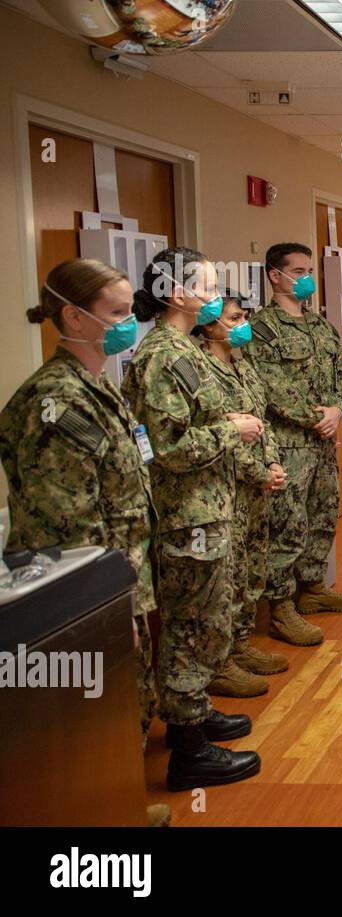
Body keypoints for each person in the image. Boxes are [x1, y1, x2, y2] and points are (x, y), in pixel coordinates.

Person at [0, 258, 171, 825]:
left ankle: (117, 802)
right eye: (117, 314)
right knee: (89, 716)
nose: (128, 324)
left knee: (125, 704)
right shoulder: (56, 404)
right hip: (83, 595)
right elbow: (64, 526)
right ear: (73, 316)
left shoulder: (95, 388)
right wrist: (102, 605)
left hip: (121, 578)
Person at [121, 247, 262, 791]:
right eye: (207, 285)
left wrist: (225, 421)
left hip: (209, 506)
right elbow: (169, 447)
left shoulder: (187, 350)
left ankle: (195, 712)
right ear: (177, 295)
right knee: (190, 627)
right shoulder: (162, 356)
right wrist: (234, 430)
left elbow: (194, 416)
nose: (217, 294)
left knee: (209, 620)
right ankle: (187, 750)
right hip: (188, 517)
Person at [246, 242, 342, 648]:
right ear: (275, 275)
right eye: (298, 270)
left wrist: (337, 408)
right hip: (288, 446)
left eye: (309, 269)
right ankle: (280, 607)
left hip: (324, 445)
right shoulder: (261, 329)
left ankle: (312, 587)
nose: (306, 277)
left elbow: (341, 375)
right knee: (286, 524)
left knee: (323, 513)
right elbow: (272, 388)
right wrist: (320, 417)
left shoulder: (321, 327)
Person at [194, 291, 289, 697]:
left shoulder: (243, 366)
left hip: (255, 486)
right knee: (227, 576)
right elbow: (223, 433)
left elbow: (259, 422)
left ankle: (242, 643)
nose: (242, 324)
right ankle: (222, 660)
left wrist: (271, 464)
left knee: (251, 566)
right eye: (233, 318)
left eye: (244, 316)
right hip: (226, 488)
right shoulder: (202, 370)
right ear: (210, 324)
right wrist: (257, 472)